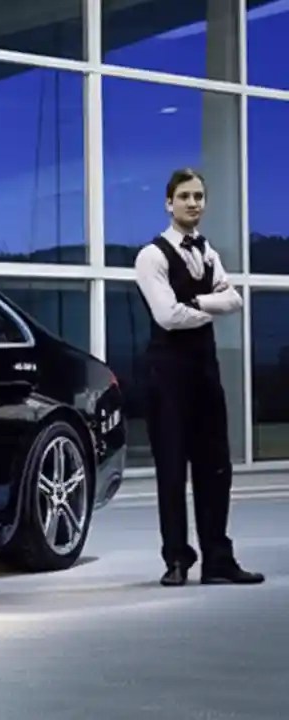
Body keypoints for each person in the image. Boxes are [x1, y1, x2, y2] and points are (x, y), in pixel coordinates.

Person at [134, 168, 264, 587]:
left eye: (199, 196)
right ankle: (176, 559)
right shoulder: (151, 256)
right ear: (168, 203)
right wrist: (211, 305)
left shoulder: (208, 252)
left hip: (206, 372)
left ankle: (218, 559)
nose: (194, 203)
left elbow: (235, 299)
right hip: (167, 374)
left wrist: (196, 301)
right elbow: (168, 317)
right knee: (171, 470)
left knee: (216, 467)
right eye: (185, 196)